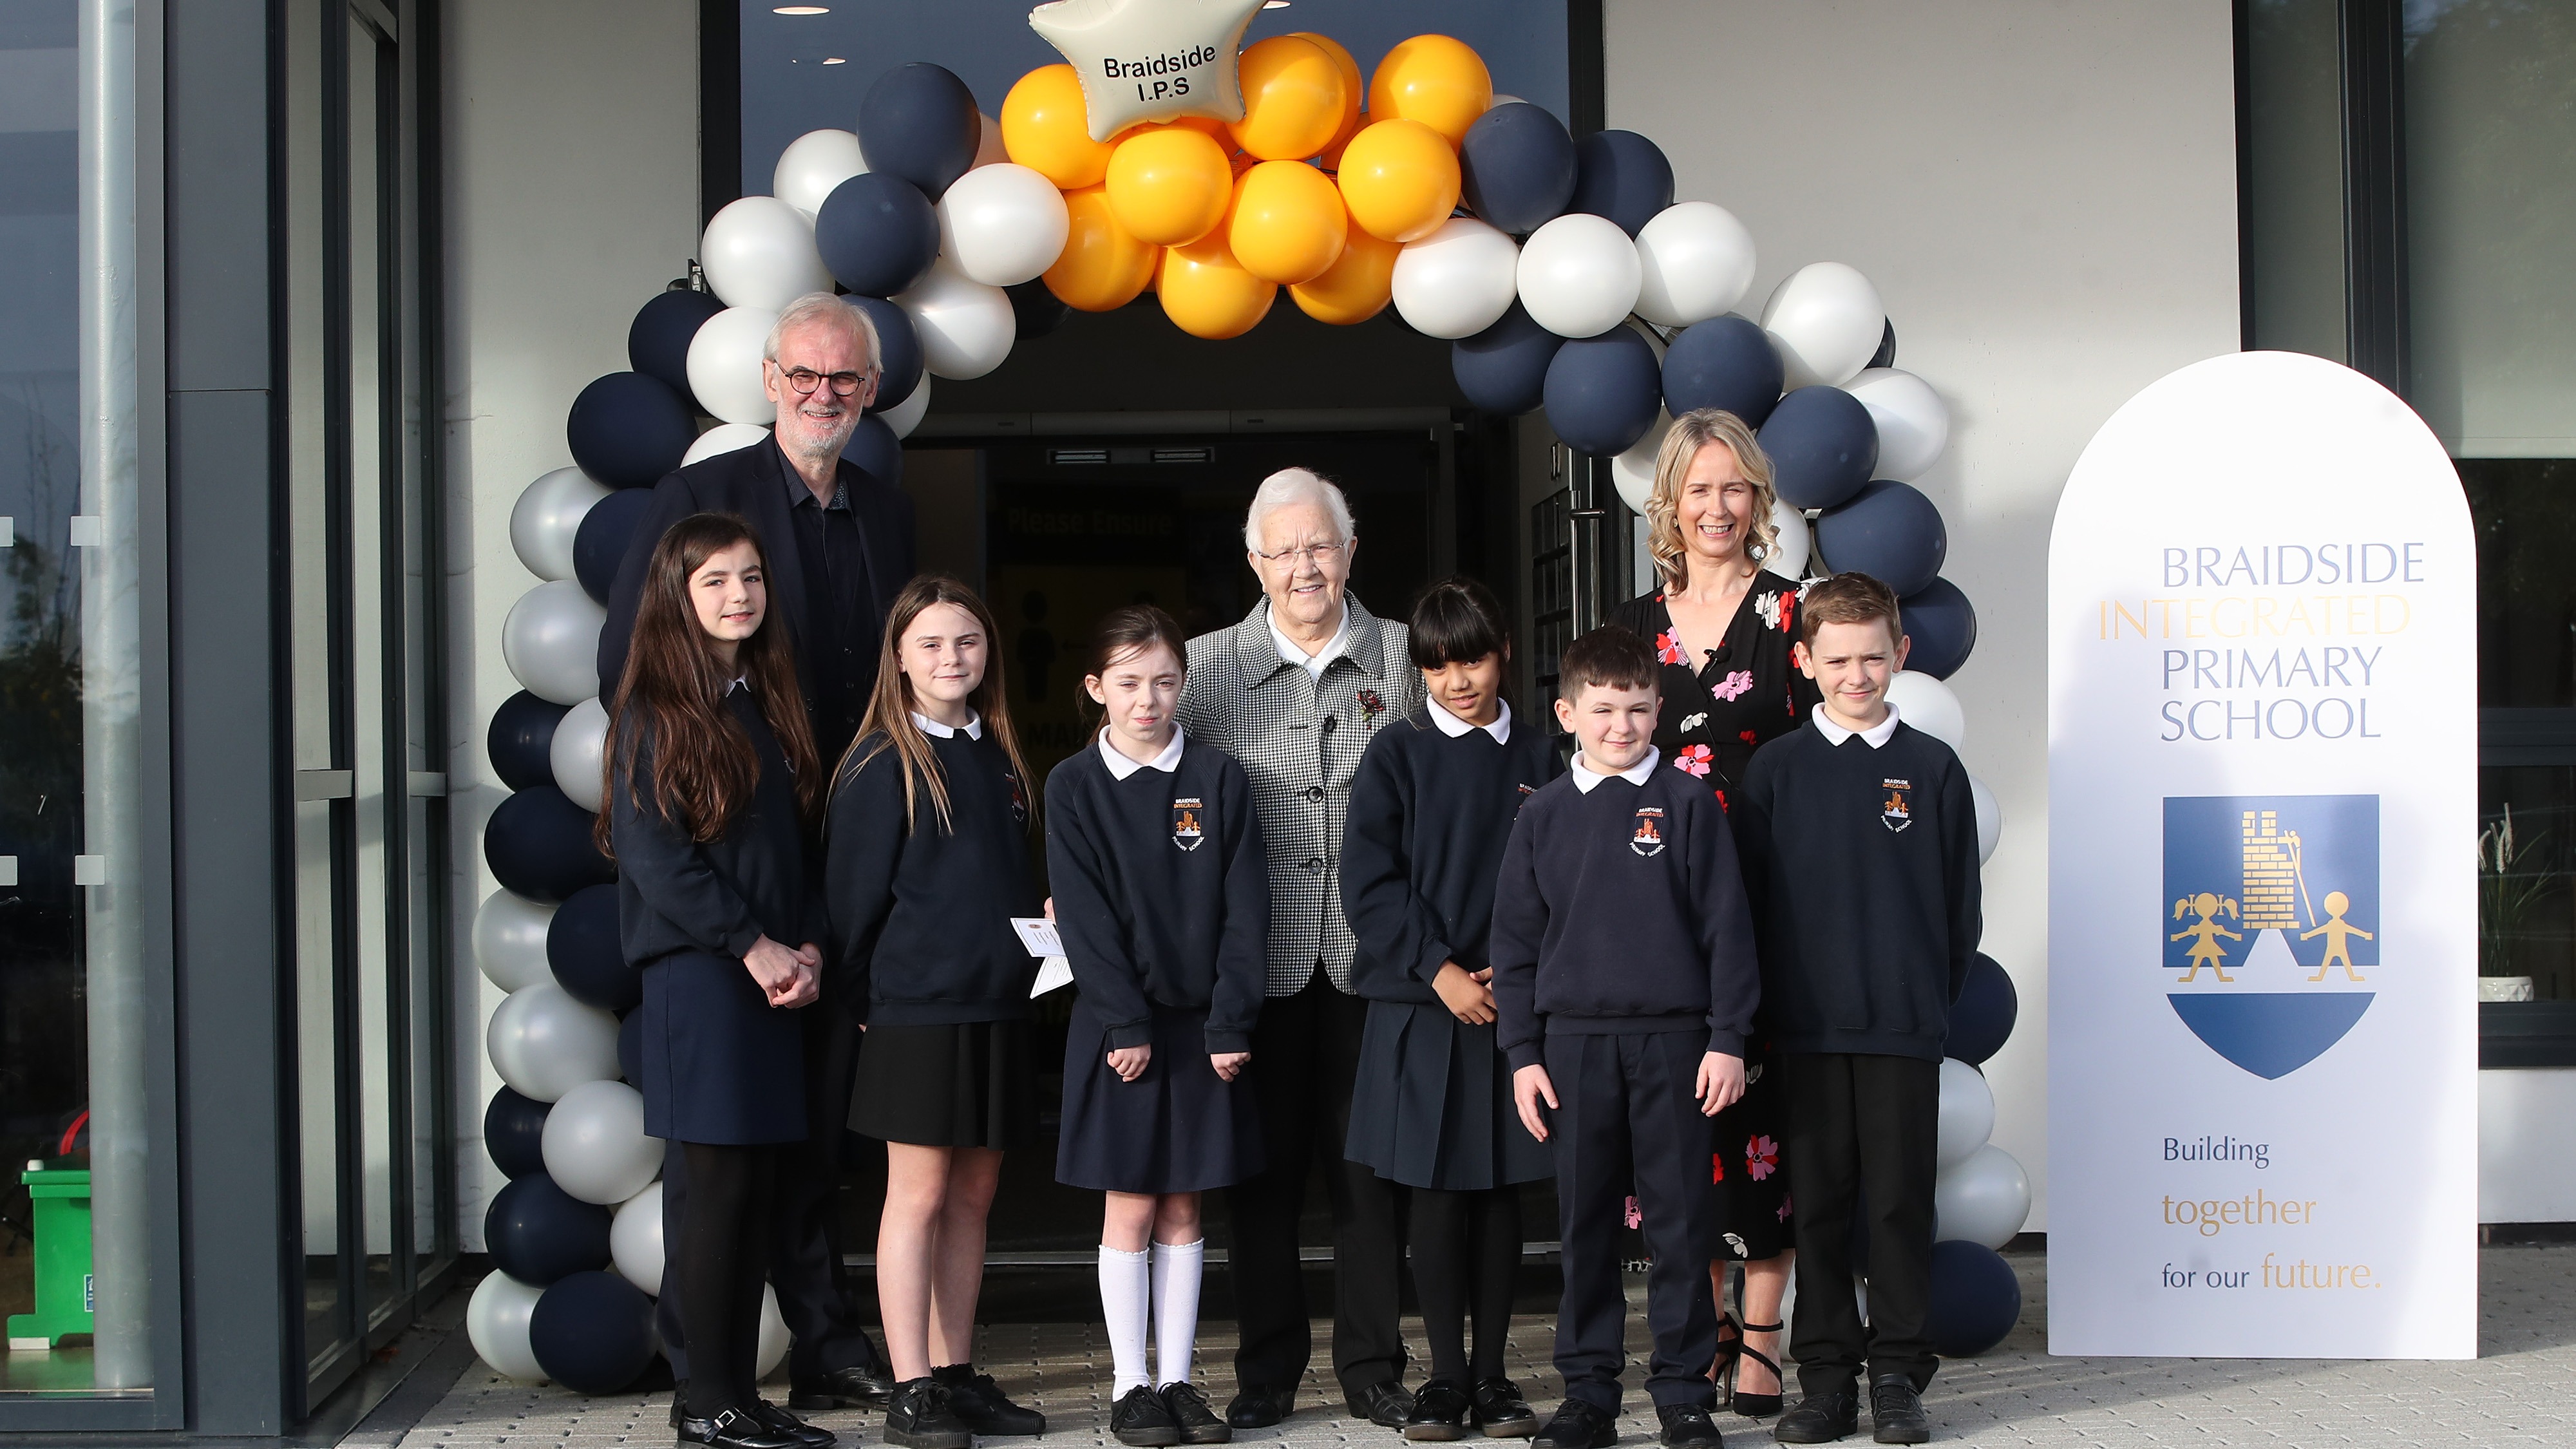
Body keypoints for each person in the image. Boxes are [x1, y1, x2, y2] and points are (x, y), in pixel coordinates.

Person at [597, 292, 914, 1415]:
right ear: (771, 379)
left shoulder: (883, 509)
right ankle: (711, 1381)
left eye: (846, 380)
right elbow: (622, 664)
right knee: (722, 1157)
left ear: (870, 391)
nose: (825, 396)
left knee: (811, 1124)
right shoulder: (706, 499)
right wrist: (720, 769)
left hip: (837, 845)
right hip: (733, 829)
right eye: (806, 376)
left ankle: (824, 1344)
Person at [1172, 468, 1430, 1430]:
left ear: (1351, 551)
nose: (1303, 565)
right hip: (1255, 962)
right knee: (1261, 1180)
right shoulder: (1200, 668)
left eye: (1320, 545)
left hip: (1376, 961)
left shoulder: (1406, 658)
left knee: (1372, 1175)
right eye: (1282, 550)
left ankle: (1372, 1366)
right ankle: (1267, 1369)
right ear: (1254, 562)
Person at [1490, 625, 1759, 1449]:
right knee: (1587, 1225)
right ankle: (1589, 1393)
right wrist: (1523, 1054)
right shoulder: (1540, 817)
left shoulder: (1687, 804)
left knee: (1680, 1224)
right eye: (1603, 710)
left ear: (1660, 710)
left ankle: (1683, 1389)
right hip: (1573, 1048)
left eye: (1638, 709)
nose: (1621, 726)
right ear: (1567, 712)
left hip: (1676, 1045)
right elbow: (1515, 944)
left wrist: (1727, 1039)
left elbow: (1728, 930)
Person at [601, 513, 833, 1449]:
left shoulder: (760, 701)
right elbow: (659, 862)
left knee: (748, 1195)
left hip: (770, 979)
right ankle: (709, 1401)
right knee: (715, 1193)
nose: (740, 595)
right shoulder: (658, 711)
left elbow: (790, 852)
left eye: (751, 578)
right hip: (706, 982)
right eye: (716, 582)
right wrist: (754, 945)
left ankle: (725, 1392)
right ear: (676, 595)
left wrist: (808, 944)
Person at [1733, 574, 1981, 1447]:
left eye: (1874, 655)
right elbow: (1750, 906)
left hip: (1901, 1029)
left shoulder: (1932, 769)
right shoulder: (1776, 771)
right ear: (1805, 662)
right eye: (1837, 658)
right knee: (1823, 1206)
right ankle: (1828, 1377)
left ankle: (1900, 1375)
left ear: (1901, 654)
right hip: (1805, 1032)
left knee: (1900, 1204)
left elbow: (1959, 913)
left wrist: (1919, 1001)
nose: (1858, 672)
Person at [1607, 410, 1817, 1417]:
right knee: (1680, 1133)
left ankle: (1766, 1342)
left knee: (1765, 1128)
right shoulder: (1630, 628)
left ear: (1760, 500)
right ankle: (1709, 1329)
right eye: (1699, 488)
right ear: (1671, 504)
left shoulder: (1795, 619)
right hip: (1660, 919)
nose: (1718, 507)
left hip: (1773, 911)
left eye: (1735, 488)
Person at [826, 576, 1049, 1449]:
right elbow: (850, 908)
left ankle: (957, 1374)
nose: (951, 658)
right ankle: (910, 1387)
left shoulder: (998, 754)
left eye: (966, 641)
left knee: (976, 1193)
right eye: (931, 644)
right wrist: (866, 1003)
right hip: (915, 1011)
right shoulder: (883, 762)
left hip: (999, 1004)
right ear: (900, 657)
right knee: (915, 1194)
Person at [1340, 578, 1561, 1442]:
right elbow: (1371, 881)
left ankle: (1499, 1378)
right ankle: (1442, 1378)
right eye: (1438, 666)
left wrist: (1516, 970)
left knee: (1502, 1193)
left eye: (1472, 659)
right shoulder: (1395, 754)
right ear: (1419, 670)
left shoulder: (1545, 757)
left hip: (1516, 1001)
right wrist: (1440, 969)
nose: (1458, 680)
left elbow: (1565, 878)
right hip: (1422, 1003)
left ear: (1503, 651)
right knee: (1432, 1194)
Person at [1046, 605, 1271, 1449]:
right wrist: (1124, 1021)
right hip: (1122, 1030)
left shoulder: (1217, 779)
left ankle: (1178, 1380)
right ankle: (1129, 1384)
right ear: (1096, 687)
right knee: (1130, 1205)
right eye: (1130, 682)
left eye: (1165, 681)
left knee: (1186, 1205)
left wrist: (1229, 1019)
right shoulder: (1073, 785)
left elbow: (1247, 912)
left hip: (1205, 1030)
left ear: (1185, 684)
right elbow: (1086, 918)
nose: (1149, 699)